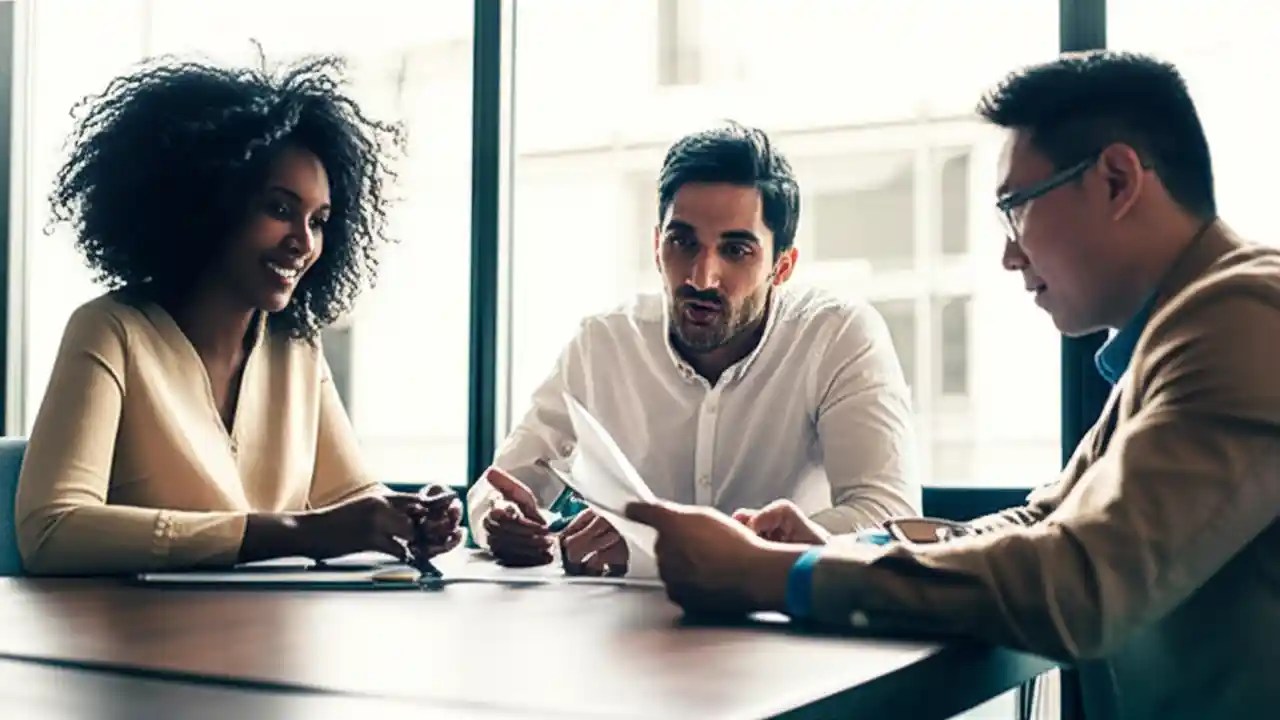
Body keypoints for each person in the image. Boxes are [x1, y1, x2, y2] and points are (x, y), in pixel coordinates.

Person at [626, 51, 1280, 719]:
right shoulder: (1182, 329)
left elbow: (1082, 583)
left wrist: (763, 574)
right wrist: (841, 552)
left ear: (1116, 181)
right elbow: (1042, 521)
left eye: (1015, 210)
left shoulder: (1248, 317)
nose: (1008, 254)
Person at [15, 56, 463, 575]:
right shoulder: (112, 332)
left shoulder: (296, 348)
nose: (303, 242)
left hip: (268, 643)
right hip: (134, 643)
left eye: (318, 221)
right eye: (278, 210)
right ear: (206, 204)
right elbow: (51, 531)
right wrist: (294, 531)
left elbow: (351, 495)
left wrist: (410, 517)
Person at [469, 121, 920, 576]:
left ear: (782, 267)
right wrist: (504, 524)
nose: (701, 278)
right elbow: (499, 487)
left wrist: (672, 548)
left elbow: (888, 516)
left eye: (737, 250)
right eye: (682, 243)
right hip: (627, 629)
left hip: (783, 623)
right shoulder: (603, 345)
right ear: (656, 244)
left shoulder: (837, 336)